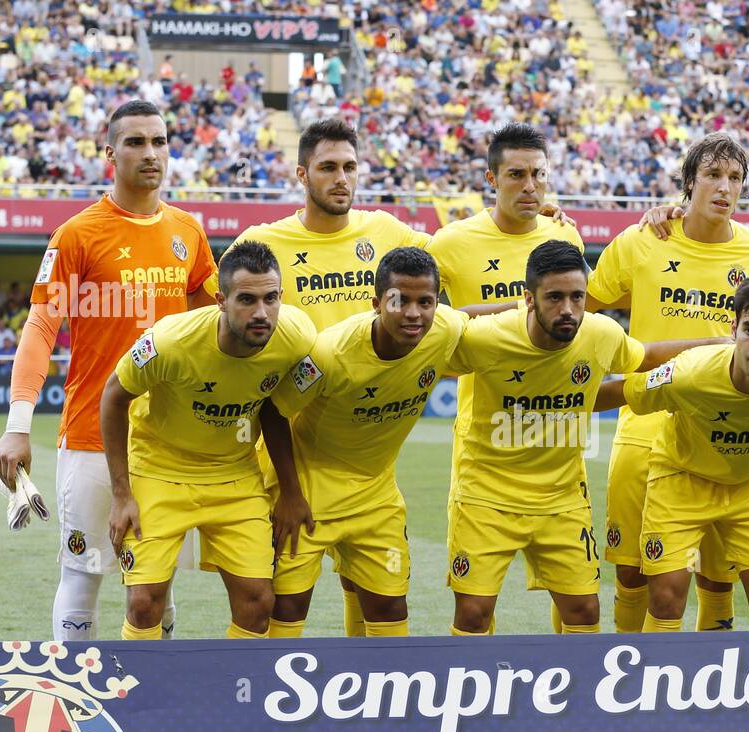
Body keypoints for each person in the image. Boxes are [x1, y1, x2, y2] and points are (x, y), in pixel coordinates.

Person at [0, 100, 217, 642]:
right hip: (92, 437)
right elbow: (41, 328)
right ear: (110, 152)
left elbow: (214, 328)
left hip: (168, 442)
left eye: (160, 142)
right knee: (83, 574)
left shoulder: (189, 232)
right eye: (136, 143)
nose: (151, 153)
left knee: (156, 585)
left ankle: (151, 707)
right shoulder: (76, 235)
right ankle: (75, 700)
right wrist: (18, 423)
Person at [443, 241, 705, 635]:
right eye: (554, 297)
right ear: (528, 299)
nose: (568, 309)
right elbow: (435, 332)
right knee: (474, 613)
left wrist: (717, 347)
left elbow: (645, 356)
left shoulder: (600, 334)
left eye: (577, 297)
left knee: (584, 611)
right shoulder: (488, 338)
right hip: (486, 497)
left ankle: (573, 696)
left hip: (561, 498)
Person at [587, 132, 749, 633]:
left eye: (734, 178)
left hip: (724, 435)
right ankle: (626, 675)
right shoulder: (642, 240)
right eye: (712, 175)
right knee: (631, 571)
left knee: (718, 578)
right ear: (688, 183)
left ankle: (713, 689)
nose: (724, 187)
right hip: (644, 427)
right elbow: (581, 307)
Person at [594, 273, 749, 632]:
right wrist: (554, 401)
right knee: (666, 597)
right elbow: (621, 391)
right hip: (680, 480)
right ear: (733, 330)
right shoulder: (690, 373)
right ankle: (652, 683)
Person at [100, 241, 316, 641]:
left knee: (258, 603)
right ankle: (144, 698)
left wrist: (291, 490)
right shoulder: (169, 342)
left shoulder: (297, 337)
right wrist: (121, 493)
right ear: (220, 300)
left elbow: (274, 408)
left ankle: (237, 696)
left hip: (234, 475)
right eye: (247, 300)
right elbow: (114, 396)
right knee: (145, 602)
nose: (261, 313)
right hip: (159, 471)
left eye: (271, 298)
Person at [259, 247, 469, 637]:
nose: (413, 313)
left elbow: (474, 317)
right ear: (376, 303)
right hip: (307, 489)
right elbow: (273, 411)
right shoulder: (329, 353)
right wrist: (289, 493)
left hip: (375, 493)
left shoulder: (445, 329)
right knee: (288, 605)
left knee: (389, 605)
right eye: (399, 300)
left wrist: (534, 302)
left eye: (425, 302)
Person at [426, 123, 584, 633]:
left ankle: (578, 705)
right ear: (491, 178)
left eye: (539, 174)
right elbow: (424, 315)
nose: (530, 186)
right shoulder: (451, 242)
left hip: (560, 449)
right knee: (475, 611)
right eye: (516, 174)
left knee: (578, 605)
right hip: (485, 452)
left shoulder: (565, 234)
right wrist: (516, 311)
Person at [230, 119, 433, 333]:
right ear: (302, 175)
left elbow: (450, 259)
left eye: (349, 168)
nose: (341, 179)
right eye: (328, 168)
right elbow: (215, 307)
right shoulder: (261, 242)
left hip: (373, 366)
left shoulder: (385, 228)